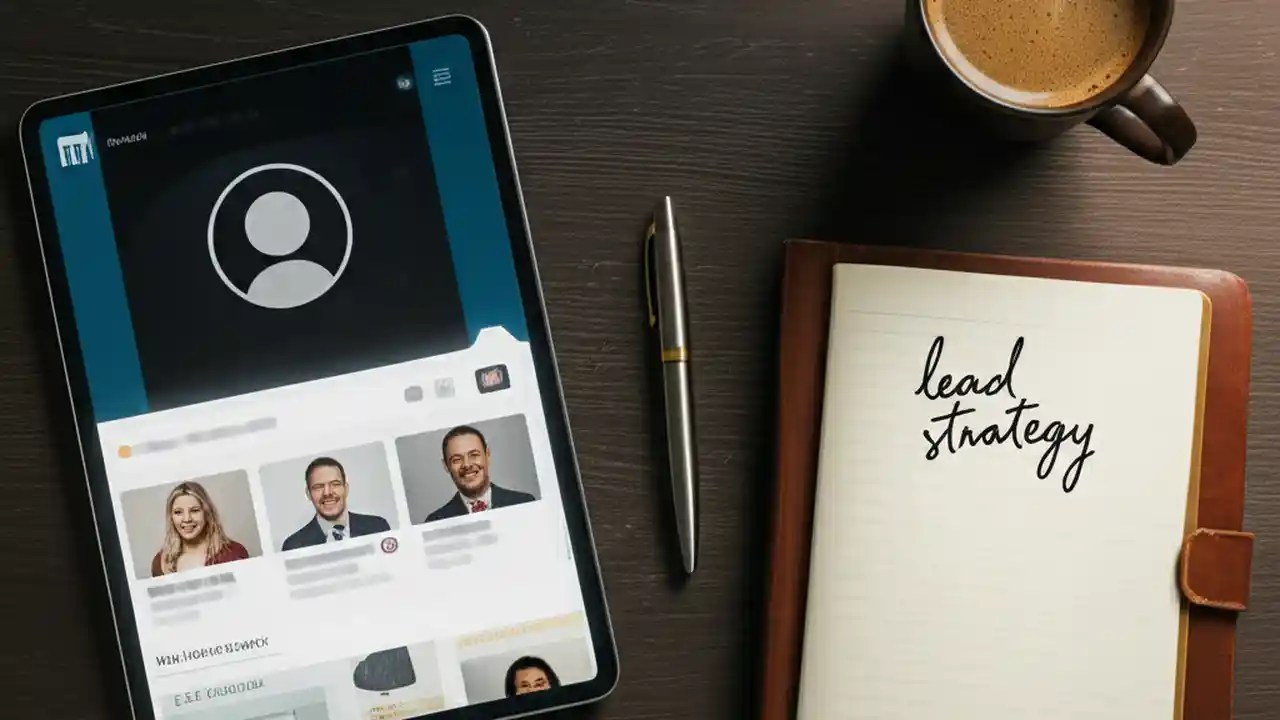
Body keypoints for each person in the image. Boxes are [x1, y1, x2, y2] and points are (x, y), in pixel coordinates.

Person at [424, 425, 535, 522]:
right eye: (457, 459)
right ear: (446, 466)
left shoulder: (524, 503)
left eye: (474, 455)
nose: (467, 465)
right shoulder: (435, 521)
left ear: (487, 455)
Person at [282, 456, 391, 550]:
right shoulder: (294, 546)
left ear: (346, 489)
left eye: (335, 484)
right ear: (308, 494)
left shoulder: (378, 528)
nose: (327, 493)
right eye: (318, 487)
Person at [150, 481, 250, 577]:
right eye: (178, 512)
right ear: (171, 517)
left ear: (207, 513)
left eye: (194, 510)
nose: (187, 519)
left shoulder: (235, 554)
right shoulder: (159, 562)